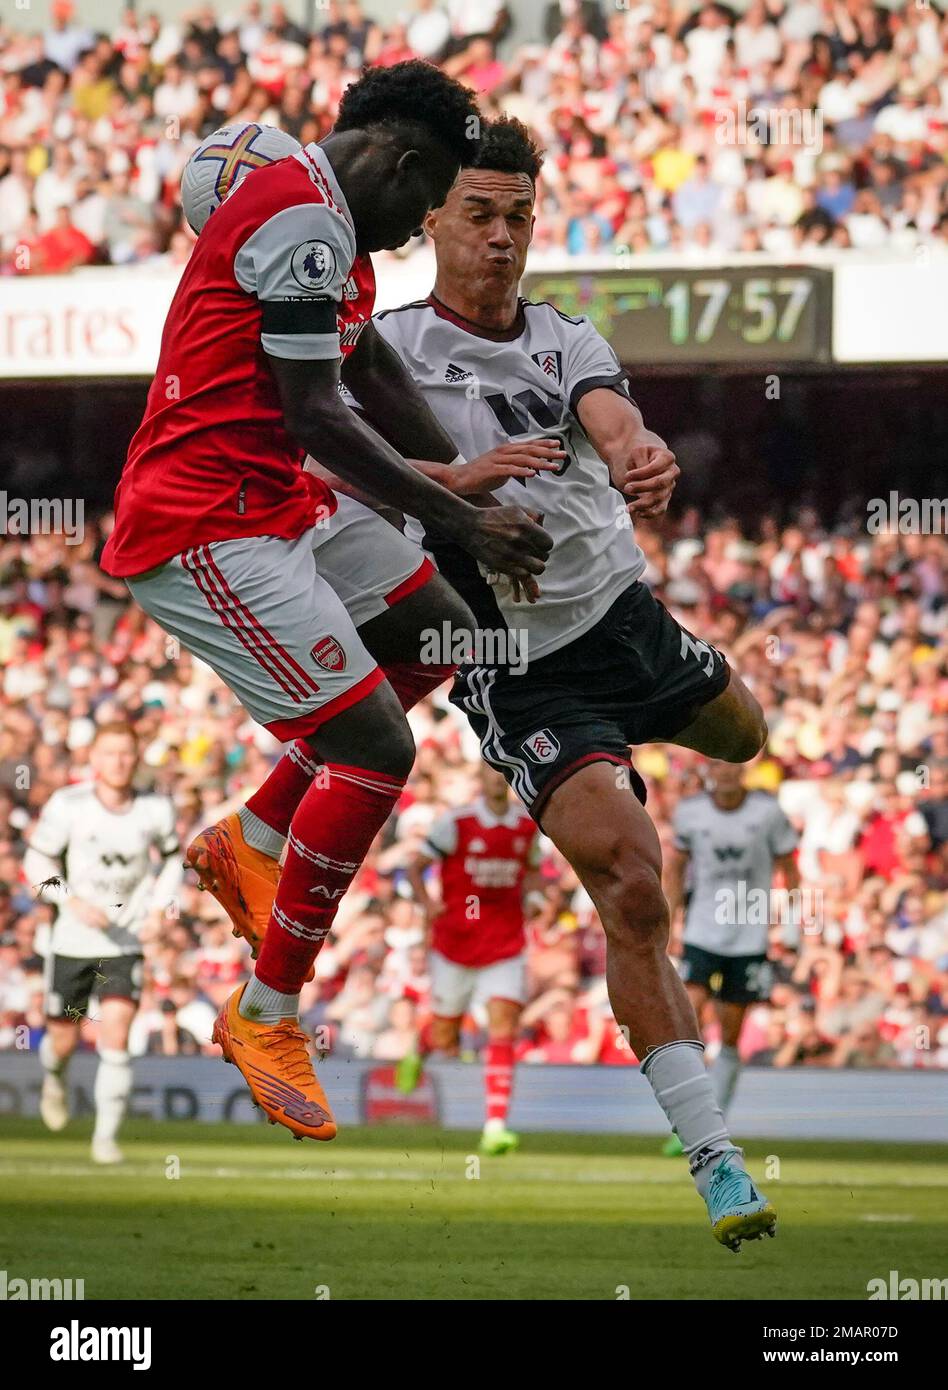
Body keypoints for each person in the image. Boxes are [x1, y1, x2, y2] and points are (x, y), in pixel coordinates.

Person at [99, 65, 552, 1144]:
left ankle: (253, 837)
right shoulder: (307, 221)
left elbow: (369, 361)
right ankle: (268, 1012)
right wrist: (462, 511)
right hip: (207, 522)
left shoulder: (319, 217)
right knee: (377, 746)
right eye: (429, 201)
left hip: (278, 503)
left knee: (448, 630)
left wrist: (469, 475)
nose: (419, 230)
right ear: (402, 165)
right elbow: (319, 415)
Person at [363, 117, 776, 1250]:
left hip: (628, 622)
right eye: (480, 216)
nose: (501, 239)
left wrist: (637, 449)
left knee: (747, 736)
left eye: (519, 218)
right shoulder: (386, 348)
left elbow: (611, 412)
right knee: (634, 886)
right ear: (433, 219)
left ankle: (675, 718)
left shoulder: (564, 336)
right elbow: (343, 470)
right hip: (521, 670)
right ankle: (717, 1159)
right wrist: (453, 487)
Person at [23, 722, 181, 1164]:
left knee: (116, 1031)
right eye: (109, 753)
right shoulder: (68, 805)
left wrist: (159, 911)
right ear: (93, 758)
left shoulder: (155, 809)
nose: (119, 762)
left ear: (136, 757)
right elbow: (37, 857)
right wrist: (69, 900)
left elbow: (173, 861)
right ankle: (54, 1077)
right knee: (64, 1041)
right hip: (72, 941)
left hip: (125, 941)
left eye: (127, 753)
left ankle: (105, 1139)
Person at [663, 760, 800, 1155]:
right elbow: (676, 870)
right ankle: (688, 1121)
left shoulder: (768, 813)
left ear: (743, 770)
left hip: (748, 936)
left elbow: (790, 869)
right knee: (688, 1020)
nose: (724, 773)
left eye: (732, 765)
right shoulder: (691, 812)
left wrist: (790, 923)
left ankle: (713, 1125)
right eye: (718, 765)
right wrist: (672, 922)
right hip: (703, 932)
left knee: (732, 1033)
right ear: (709, 770)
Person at [405, 765, 540, 1154]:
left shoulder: (526, 826)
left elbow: (532, 872)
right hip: (455, 944)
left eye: (503, 774)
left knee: (503, 1027)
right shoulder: (456, 822)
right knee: (447, 1036)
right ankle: (422, 1046)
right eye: (491, 774)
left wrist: (533, 898)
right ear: (481, 781)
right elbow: (415, 867)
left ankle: (495, 1126)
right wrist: (429, 904)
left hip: (504, 944)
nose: (498, 780)